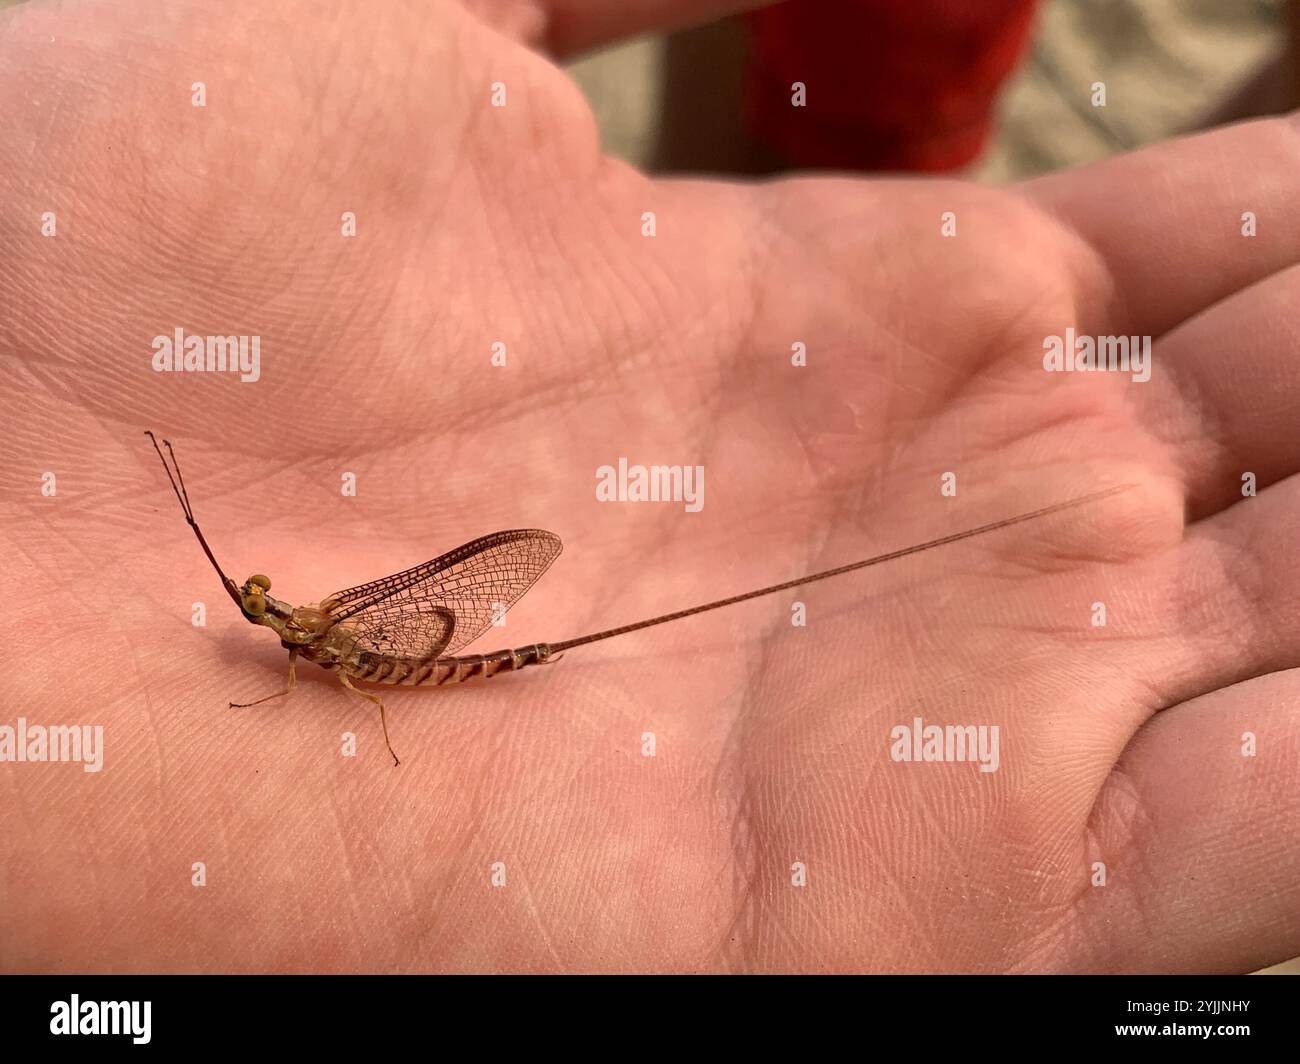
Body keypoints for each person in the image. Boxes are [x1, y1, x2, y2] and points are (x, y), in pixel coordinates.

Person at [1, 0, 1296, 972]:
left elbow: (389, 645)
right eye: (259, 608)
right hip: (408, 649)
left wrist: (359, 664)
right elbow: (374, 641)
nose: (255, 611)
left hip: (424, 654)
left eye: (259, 605)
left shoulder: (320, 644)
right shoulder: (309, 642)